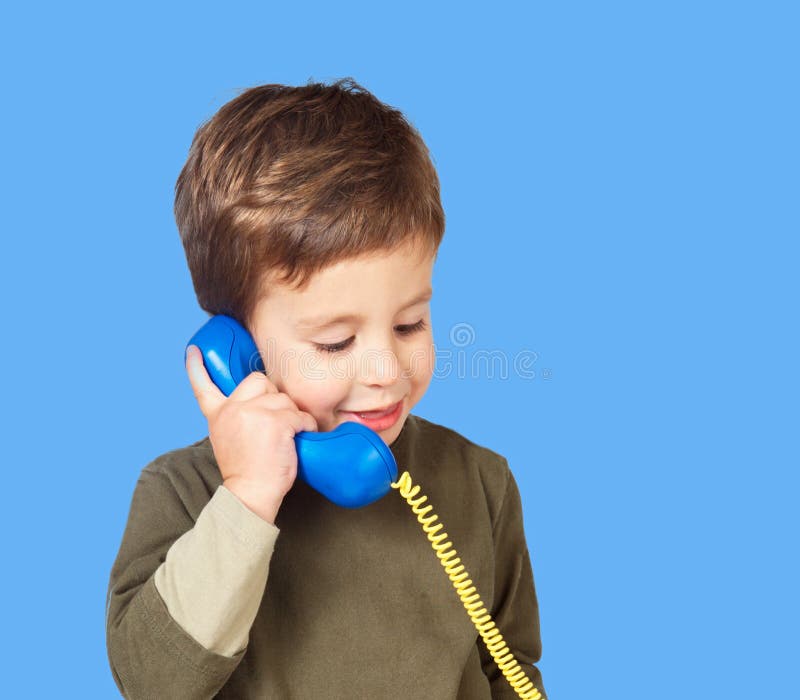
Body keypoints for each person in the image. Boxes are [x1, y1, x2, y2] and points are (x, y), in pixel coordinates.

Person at [105, 77, 547, 699]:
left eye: (410, 324)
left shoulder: (480, 481)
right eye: (336, 343)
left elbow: (511, 666)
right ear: (238, 350)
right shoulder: (182, 493)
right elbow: (153, 682)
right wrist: (248, 498)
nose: (387, 369)